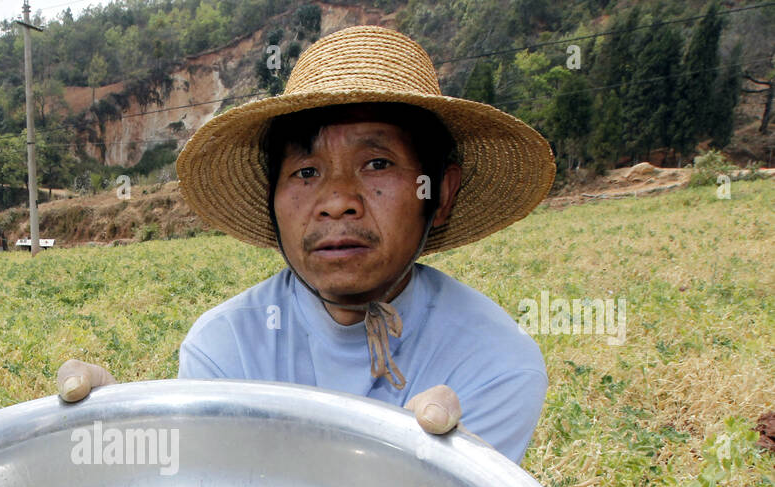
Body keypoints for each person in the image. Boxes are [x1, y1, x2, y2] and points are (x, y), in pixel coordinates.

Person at [57, 25, 556, 464]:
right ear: (273, 199)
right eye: (306, 172)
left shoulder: (494, 363)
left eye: (377, 164)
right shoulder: (225, 350)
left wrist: (448, 472)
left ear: (439, 194)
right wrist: (135, 449)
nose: (337, 201)